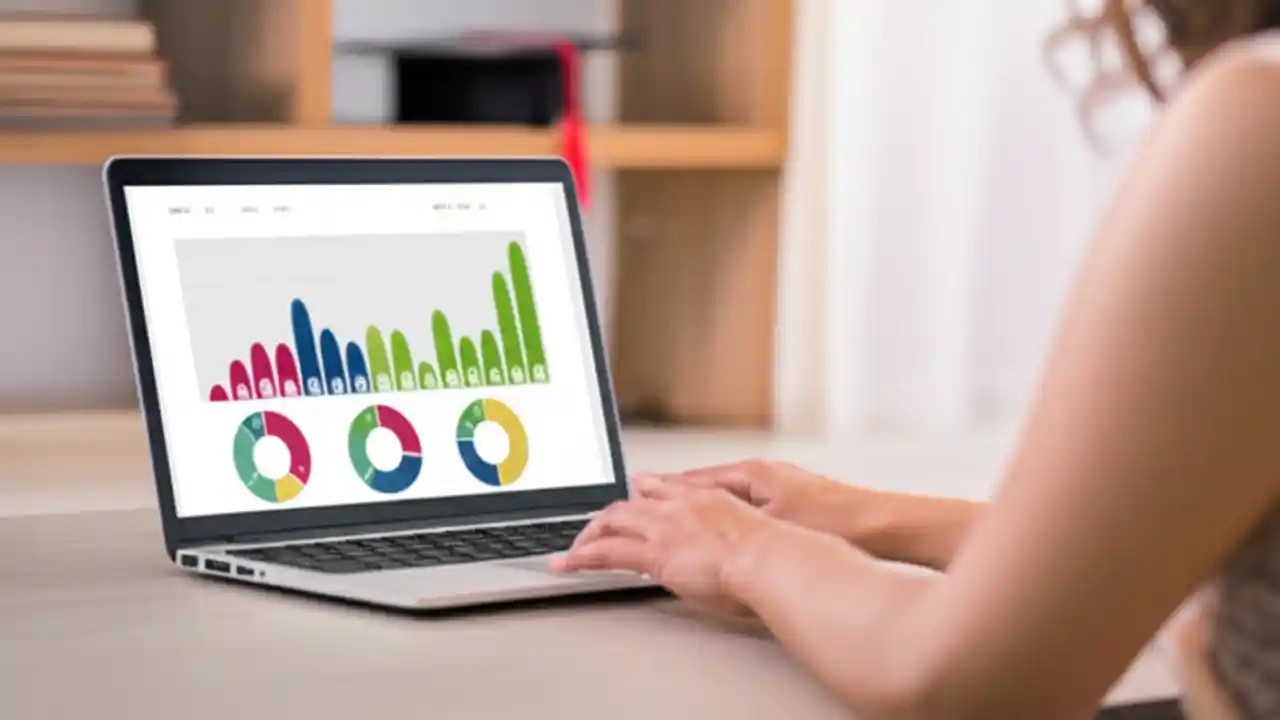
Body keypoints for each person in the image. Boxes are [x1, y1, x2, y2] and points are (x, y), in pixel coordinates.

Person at [551, 1, 1280, 717]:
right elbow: (1128, 552)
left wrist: (743, 549)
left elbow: (962, 682)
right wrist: (869, 516)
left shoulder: (1258, 115)